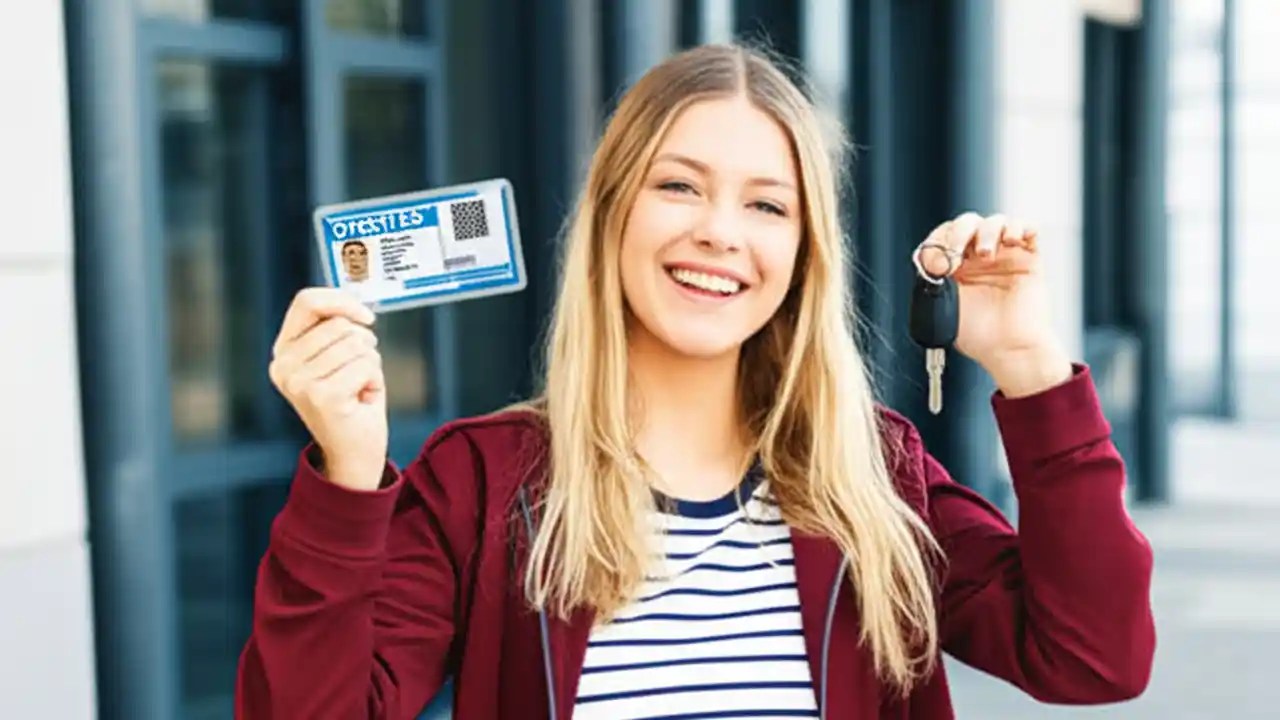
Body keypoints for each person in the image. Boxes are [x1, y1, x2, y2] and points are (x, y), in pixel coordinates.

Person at [236, 43, 1155, 719]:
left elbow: (1093, 659)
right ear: (611, 214)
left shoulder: (874, 473)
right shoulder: (482, 482)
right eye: (679, 186)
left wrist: (1033, 374)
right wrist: (347, 479)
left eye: (765, 204)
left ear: (802, 256)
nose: (722, 231)